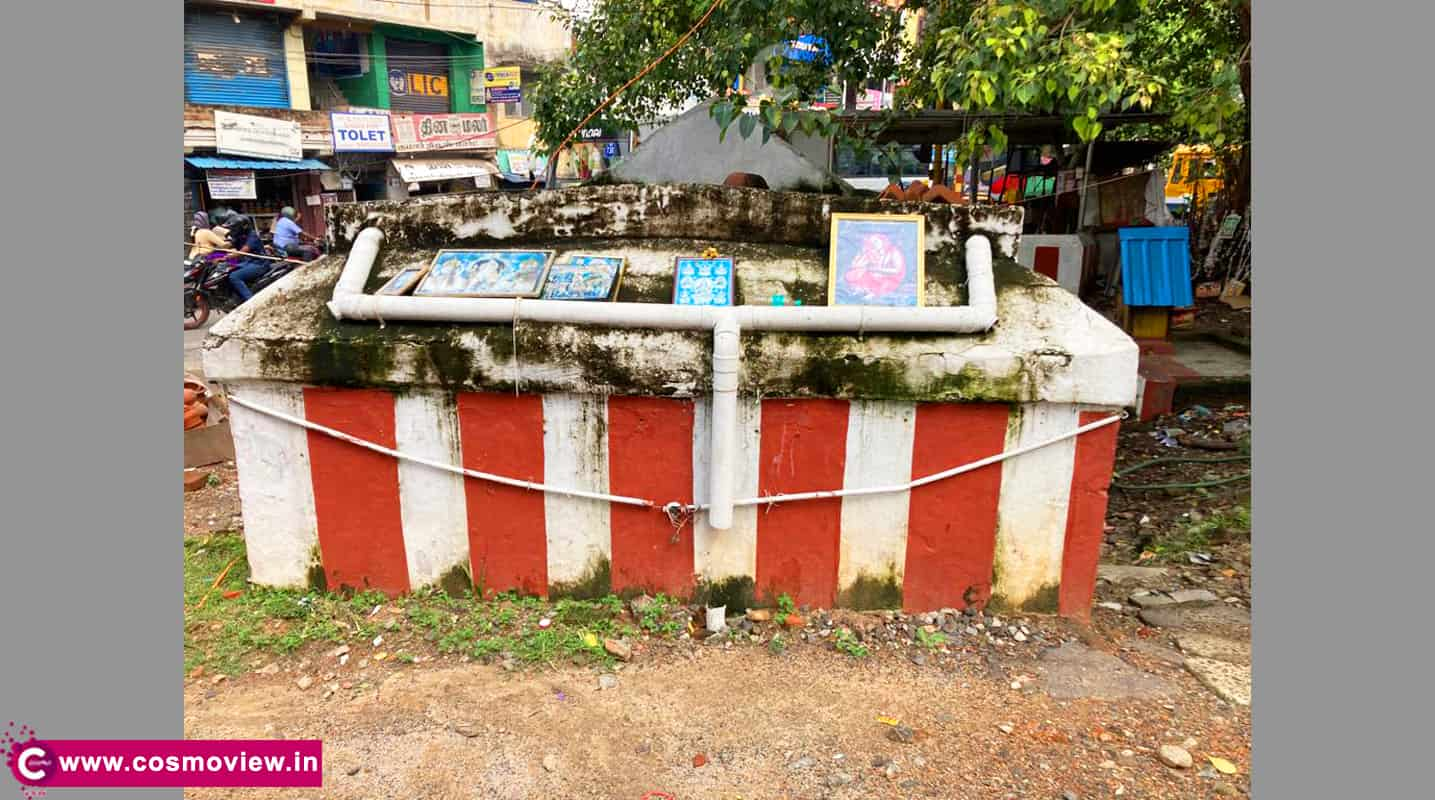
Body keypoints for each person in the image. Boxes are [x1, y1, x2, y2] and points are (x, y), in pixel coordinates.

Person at [226, 225, 271, 303]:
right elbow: (228, 245)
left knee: (234, 276)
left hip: (260, 263)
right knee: (227, 270)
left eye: (234, 228)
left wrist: (225, 257)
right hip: (248, 262)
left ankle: (251, 301)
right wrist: (211, 252)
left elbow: (244, 250)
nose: (233, 230)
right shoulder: (240, 236)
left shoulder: (252, 236)